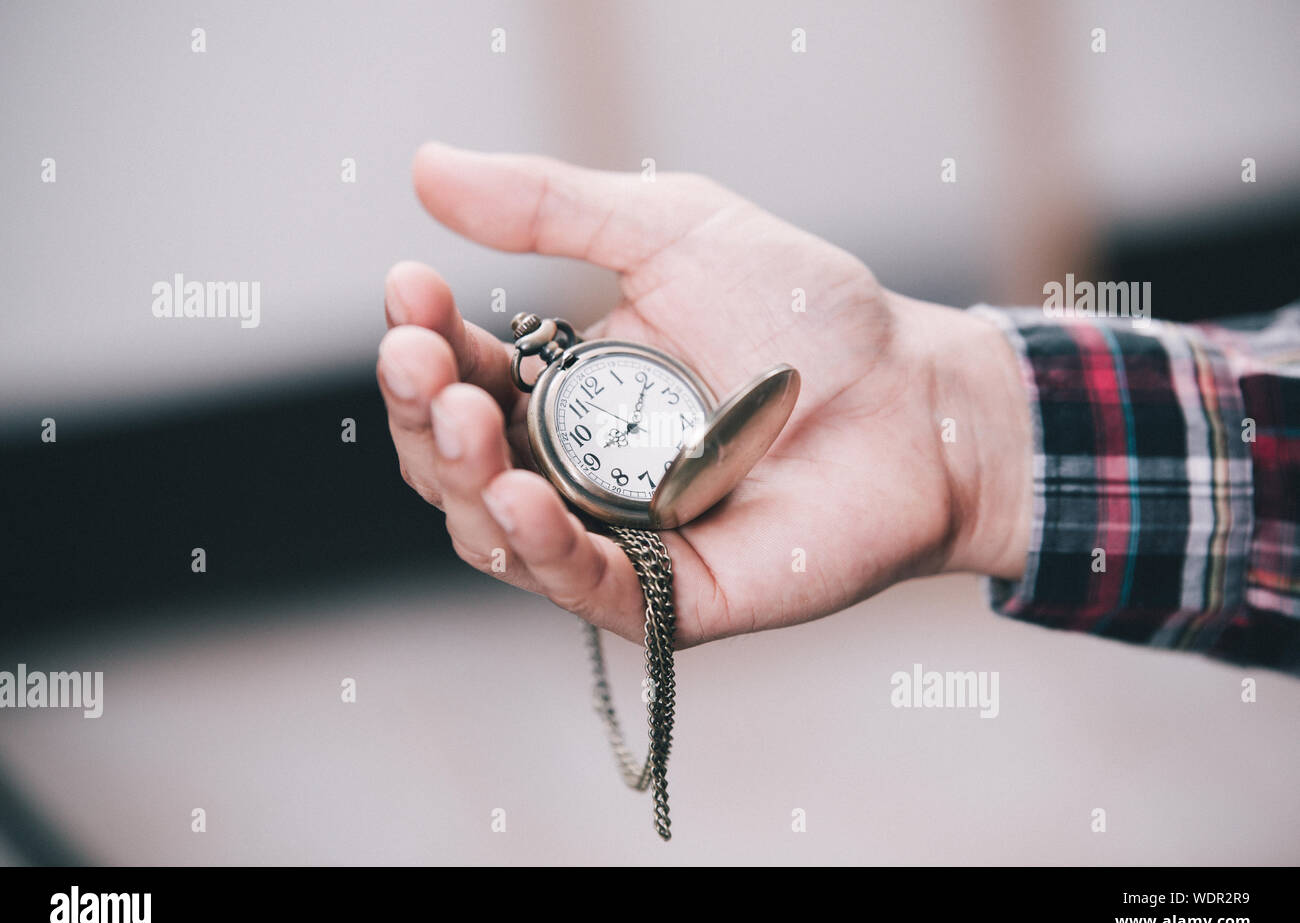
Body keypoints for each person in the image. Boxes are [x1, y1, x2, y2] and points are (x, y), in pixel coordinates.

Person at [376, 143, 1299, 676]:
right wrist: (976, 434)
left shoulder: (605, 379)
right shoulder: (595, 386)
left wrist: (971, 432)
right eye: (599, 434)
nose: (611, 426)